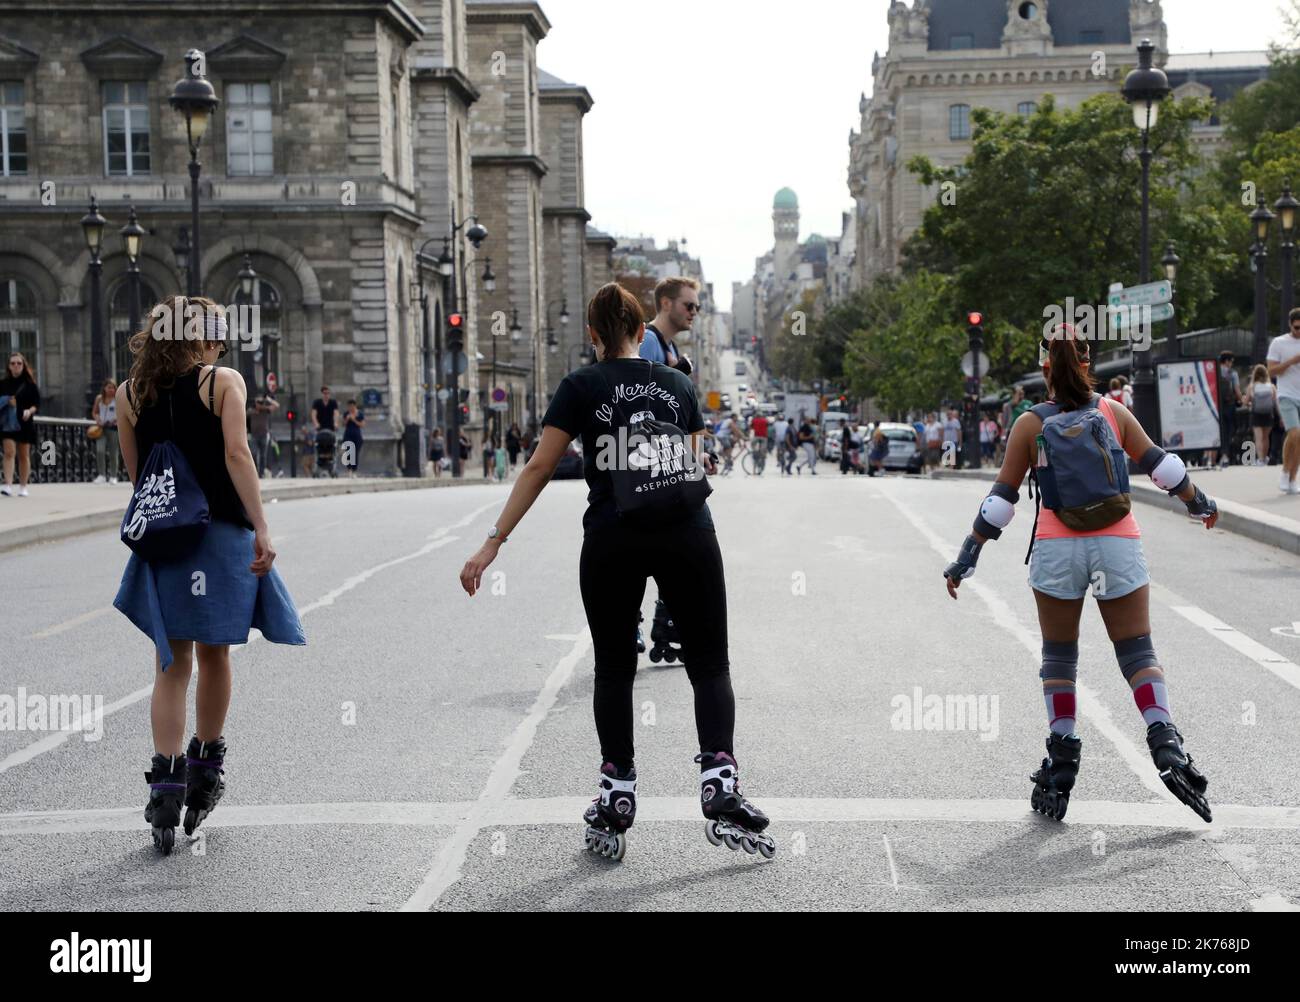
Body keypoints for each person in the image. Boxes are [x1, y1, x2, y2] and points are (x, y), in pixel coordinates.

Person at [458, 283, 773, 860]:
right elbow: (695, 466)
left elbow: (538, 468)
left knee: (612, 668)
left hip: (613, 538)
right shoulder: (678, 384)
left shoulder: (580, 387)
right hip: (688, 535)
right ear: (640, 328)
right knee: (710, 663)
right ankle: (720, 783)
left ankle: (618, 791)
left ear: (594, 334)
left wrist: (492, 542)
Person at [943, 328, 1217, 824]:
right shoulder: (1113, 412)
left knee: (1059, 658)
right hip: (1117, 543)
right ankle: (1166, 744)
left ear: (1046, 368)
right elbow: (1163, 469)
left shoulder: (1030, 424)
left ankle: (1062, 759)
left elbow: (1001, 503)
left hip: (1056, 549)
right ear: (1087, 364)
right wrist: (1201, 504)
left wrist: (967, 555)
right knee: (1137, 651)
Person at [113, 296, 304, 853]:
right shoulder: (223, 383)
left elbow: (137, 476)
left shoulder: (130, 395)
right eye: (219, 332)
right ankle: (205, 771)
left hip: (166, 542)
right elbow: (238, 455)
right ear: (203, 337)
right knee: (216, 655)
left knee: (171, 664)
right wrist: (262, 525)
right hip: (220, 536)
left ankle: (165, 785)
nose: (223, 342)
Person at [1267, 307, 1300, 494]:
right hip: (1287, 394)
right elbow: (1270, 371)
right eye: (1297, 327)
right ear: (1290, 324)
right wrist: (1292, 361)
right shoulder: (1279, 343)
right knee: (1295, 434)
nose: (1299, 331)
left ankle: (1293, 478)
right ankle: (1285, 472)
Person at [639, 276, 699, 373]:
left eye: (697, 307)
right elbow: (636, 386)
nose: (694, 312)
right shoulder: (648, 340)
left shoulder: (670, 345)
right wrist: (676, 376)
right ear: (666, 303)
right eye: (689, 306)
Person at [0, 351, 40, 497]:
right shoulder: (3, 384)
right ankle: (8, 484)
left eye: (19, 363)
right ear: (8, 366)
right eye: (13, 363)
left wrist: (29, 411)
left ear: (23, 365)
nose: (16, 366)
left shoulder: (30, 384)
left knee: (24, 455)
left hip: (24, 421)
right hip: (7, 422)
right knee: (9, 452)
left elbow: (36, 403)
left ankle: (23, 486)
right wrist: (6, 401)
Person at [1245, 364, 1277, 467]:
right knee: (1266, 437)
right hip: (1268, 413)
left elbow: (1246, 401)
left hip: (1256, 414)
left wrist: (1248, 403)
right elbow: (1276, 401)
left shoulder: (1252, 386)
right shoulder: (1271, 386)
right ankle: (1266, 457)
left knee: (1259, 437)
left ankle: (1260, 459)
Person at [91, 378, 120, 484]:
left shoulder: (117, 399)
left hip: (113, 428)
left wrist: (116, 419)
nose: (111, 390)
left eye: (113, 387)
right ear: (104, 388)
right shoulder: (99, 398)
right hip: (101, 428)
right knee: (100, 450)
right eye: (109, 387)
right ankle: (102, 474)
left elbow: (122, 412)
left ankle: (113, 475)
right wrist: (97, 419)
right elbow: (95, 412)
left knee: (113, 452)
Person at [247, 389, 279, 479]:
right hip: (254, 435)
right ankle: (254, 472)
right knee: (254, 453)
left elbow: (276, 406)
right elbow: (244, 414)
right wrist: (253, 410)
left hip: (264, 435)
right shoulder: (251, 410)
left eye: (261, 402)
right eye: (258, 402)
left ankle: (261, 474)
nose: (259, 404)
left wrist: (268, 399)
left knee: (263, 456)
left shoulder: (266, 410)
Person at [341, 399, 365, 477]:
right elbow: (343, 424)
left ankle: (354, 470)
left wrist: (354, 419)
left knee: (355, 453)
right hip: (348, 434)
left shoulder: (360, 413)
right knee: (349, 452)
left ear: (354, 406)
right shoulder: (346, 413)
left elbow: (362, 425)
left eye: (352, 406)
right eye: (349, 407)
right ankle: (349, 469)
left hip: (357, 435)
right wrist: (347, 419)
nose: (350, 408)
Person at [750, 410, 769, 474]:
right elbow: (767, 426)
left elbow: (751, 427)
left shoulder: (754, 420)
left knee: (753, 445)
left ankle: (754, 451)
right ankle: (763, 454)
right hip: (764, 437)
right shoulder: (765, 420)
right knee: (763, 451)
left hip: (756, 437)